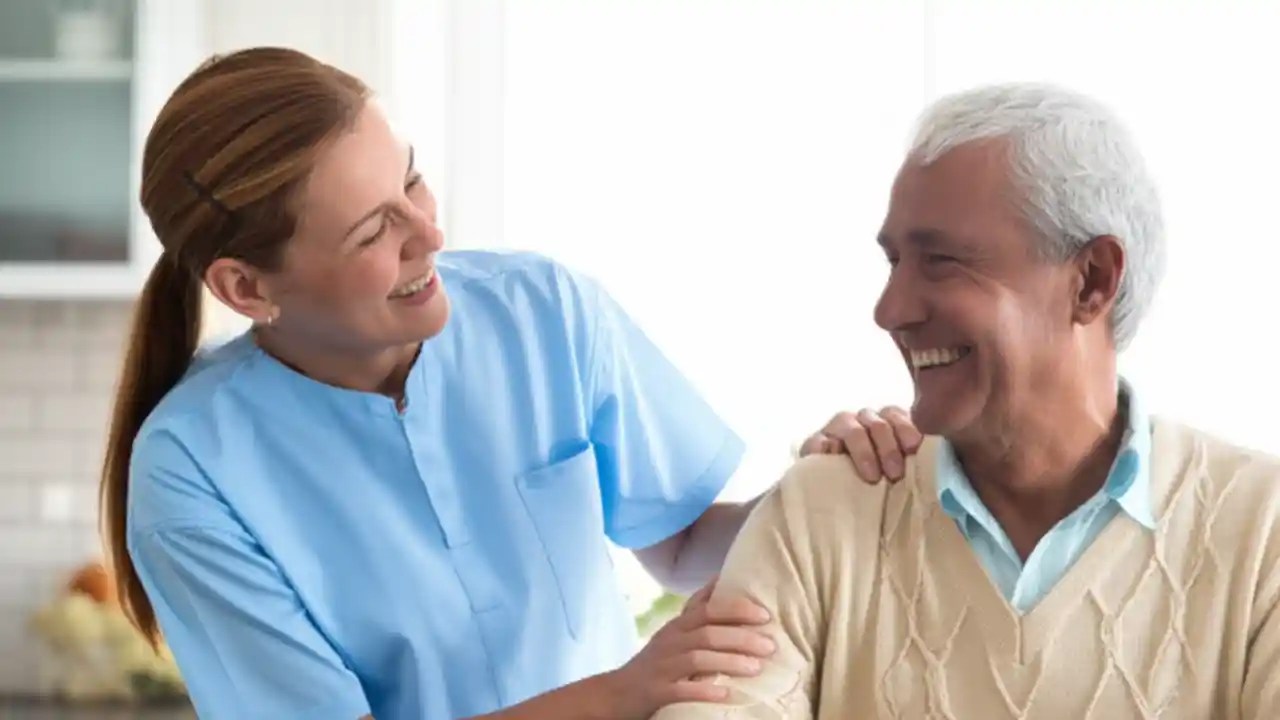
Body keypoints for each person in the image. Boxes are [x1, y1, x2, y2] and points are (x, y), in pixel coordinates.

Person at [98, 47, 919, 720]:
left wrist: (818, 490)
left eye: (411, 182)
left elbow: (680, 543)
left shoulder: (543, 313)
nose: (431, 233)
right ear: (247, 289)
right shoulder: (191, 470)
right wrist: (623, 694)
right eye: (373, 230)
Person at [652, 83, 1280, 719]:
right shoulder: (821, 512)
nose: (889, 310)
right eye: (894, 262)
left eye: (942, 263)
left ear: (1092, 280)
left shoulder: (1264, 529)